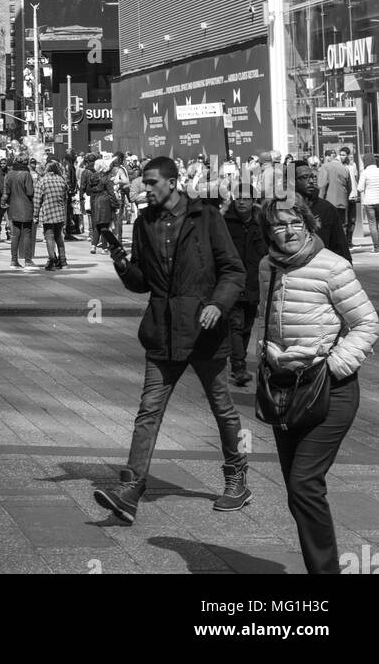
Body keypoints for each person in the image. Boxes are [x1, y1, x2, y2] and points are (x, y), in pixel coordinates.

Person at [93, 156, 249, 525]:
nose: (144, 189)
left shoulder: (206, 217)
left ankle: (236, 479)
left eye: (150, 183)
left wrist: (217, 304)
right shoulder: (145, 223)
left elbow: (233, 270)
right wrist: (120, 262)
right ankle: (131, 489)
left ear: (172, 182)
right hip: (162, 332)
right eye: (142, 183)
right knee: (148, 411)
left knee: (222, 408)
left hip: (204, 331)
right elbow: (142, 281)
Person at [256, 191, 379, 574]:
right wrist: (268, 352)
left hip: (331, 390)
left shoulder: (333, 267)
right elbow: (272, 319)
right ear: (269, 232)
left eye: (296, 222)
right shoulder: (268, 266)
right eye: (279, 224)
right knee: (298, 491)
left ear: (308, 224)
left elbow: (367, 323)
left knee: (304, 484)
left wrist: (335, 364)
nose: (288, 230)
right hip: (284, 388)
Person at [223, 186, 267, 386]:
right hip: (232, 281)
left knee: (248, 325)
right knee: (236, 324)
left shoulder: (261, 223)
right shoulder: (225, 223)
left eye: (246, 199)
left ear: (253, 201)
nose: (241, 202)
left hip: (253, 282)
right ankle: (238, 365)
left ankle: (237, 359)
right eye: (238, 198)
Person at [292, 158, 351, 261]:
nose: (310, 181)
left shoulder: (326, 209)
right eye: (304, 177)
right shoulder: (281, 210)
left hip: (322, 267)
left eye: (312, 177)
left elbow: (340, 245)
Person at [4, 152, 38, 271]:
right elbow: (30, 192)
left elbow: (6, 192)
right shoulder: (26, 174)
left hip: (13, 207)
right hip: (26, 206)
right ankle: (28, 260)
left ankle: (14, 260)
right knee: (27, 233)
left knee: (15, 234)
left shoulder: (9, 174)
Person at [37, 160, 69, 271]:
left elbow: (37, 200)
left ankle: (52, 260)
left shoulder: (42, 181)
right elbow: (65, 198)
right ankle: (63, 261)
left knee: (49, 237)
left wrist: (35, 214)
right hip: (60, 213)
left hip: (48, 213)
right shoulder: (62, 181)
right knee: (59, 237)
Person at [336, 146, 359, 244]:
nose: (341, 157)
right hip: (343, 196)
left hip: (352, 195)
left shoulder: (352, 165)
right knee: (343, 220)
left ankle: (349, 240)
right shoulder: (338, 166)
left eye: (343, 155)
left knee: (352, 219)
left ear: (348, 155)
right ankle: (344, 241)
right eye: (340, 155)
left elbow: (355, 178)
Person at [357, 151, 379, 250]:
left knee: (372, 224)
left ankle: (376, 247)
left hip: (369, 202)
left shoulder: (365, 173)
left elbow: (360, 188)